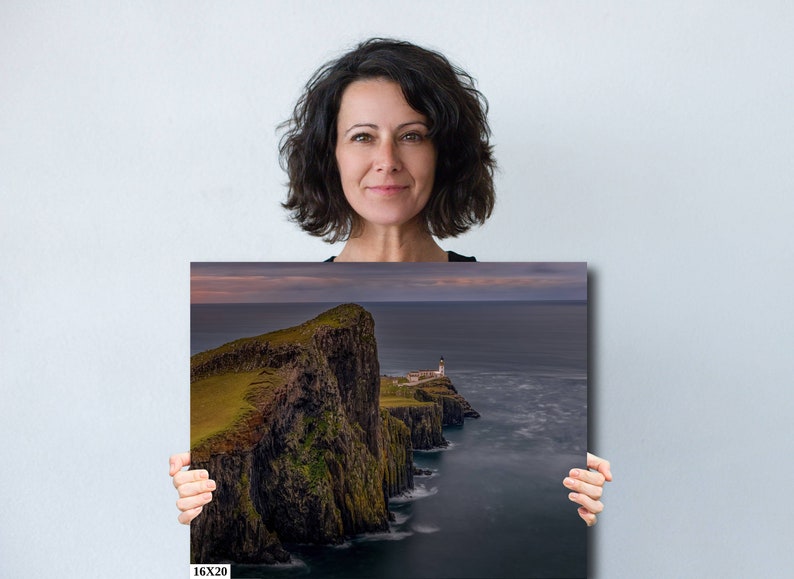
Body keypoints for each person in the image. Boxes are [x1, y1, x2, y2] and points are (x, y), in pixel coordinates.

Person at [171, 38, 612, 527]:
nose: (387, 159)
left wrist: (583, 505)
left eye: (412, 135)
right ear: (330, 155)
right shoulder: (295, 302)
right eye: (362, 136)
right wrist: (200, 510)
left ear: (444, 154)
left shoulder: (521, 299)